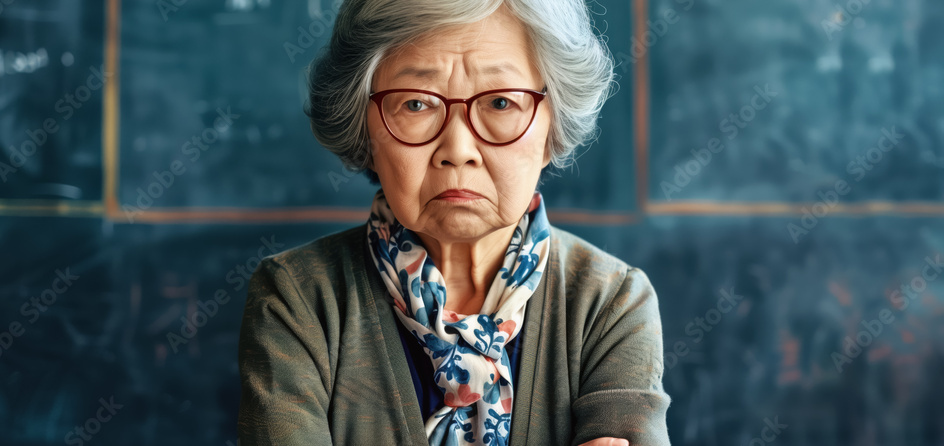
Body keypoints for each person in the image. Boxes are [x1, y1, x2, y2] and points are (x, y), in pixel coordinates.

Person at [237, 0, 671, 444]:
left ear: (551, 128)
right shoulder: (298, 298)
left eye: (501, 102)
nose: (458, 148)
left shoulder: (609, 302)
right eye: (416, 103)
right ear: (365, 128)